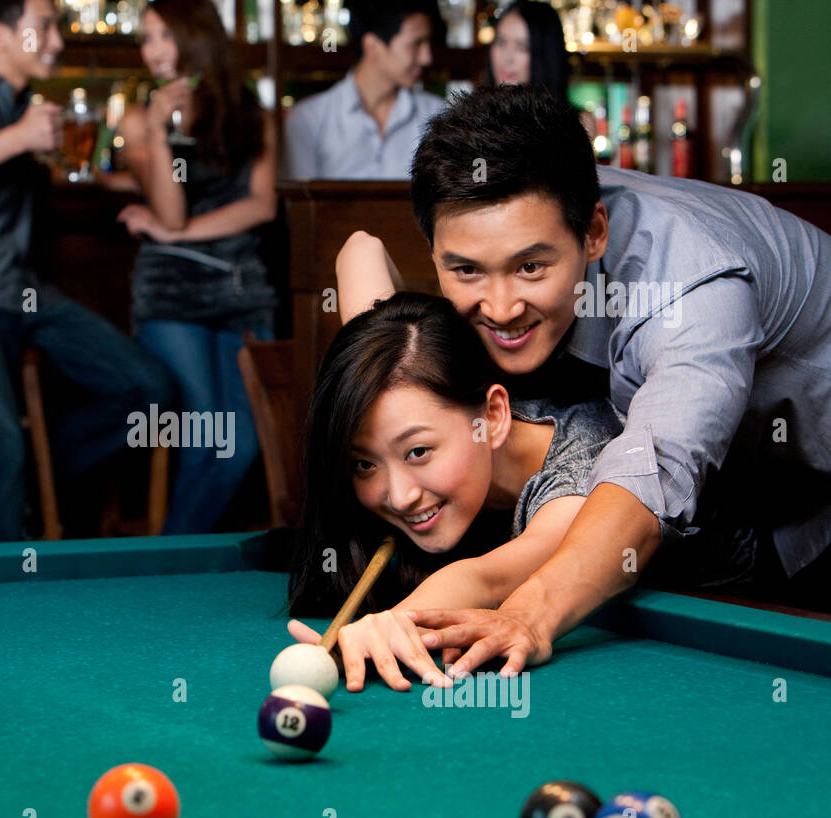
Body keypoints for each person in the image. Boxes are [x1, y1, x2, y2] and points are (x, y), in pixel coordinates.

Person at [334, 85, 831, 679]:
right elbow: (362, 252)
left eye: (530, 267)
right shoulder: (540, 210)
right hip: (749, 497)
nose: (499, 307)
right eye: (465, 269)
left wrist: (529, 616)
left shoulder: (690, 292)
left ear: (594, 234)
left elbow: (654, 480)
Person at [0, 0, 173, 542]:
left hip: (21, 294)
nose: (56, 41)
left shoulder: (26, 106)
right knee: (2, 448)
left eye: (57, 28)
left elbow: (46, 177)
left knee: (152, 390)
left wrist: (124, 183)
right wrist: (20, 138)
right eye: (43, 27)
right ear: (0, 33)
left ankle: (37, 479)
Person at [285, 292, 628, 692]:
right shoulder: (410, 375)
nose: (398, 497)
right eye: (364, 463)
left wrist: (395, 622)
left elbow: (488, 579)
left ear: (495, 416)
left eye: (418, 452)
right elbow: (361, 248)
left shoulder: (585, 478)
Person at [115, 0, 278, 534]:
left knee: (244, 444)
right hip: (172, 293)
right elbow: (170, 210)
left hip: (240, 290)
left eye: (164, 35)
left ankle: (167, 561)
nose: (153, 51)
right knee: (209, 433)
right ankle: (169, 570)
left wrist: (176, 232)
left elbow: (261, 205)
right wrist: (161, 134)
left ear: (197, 37)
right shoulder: (139, 119)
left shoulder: (250, 111)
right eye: (147, 38)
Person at [282, 0, 447, 180]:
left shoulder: (438, 115)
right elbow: (300, 204)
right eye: (416, 44)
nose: (426, 58)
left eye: (428, 43)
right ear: (372, 45)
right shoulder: (309, 120)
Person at [487, 0, 568, 98]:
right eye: (501, 42)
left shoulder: (571, 114)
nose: (508, 57)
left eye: (522, 47)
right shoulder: (474, 111)